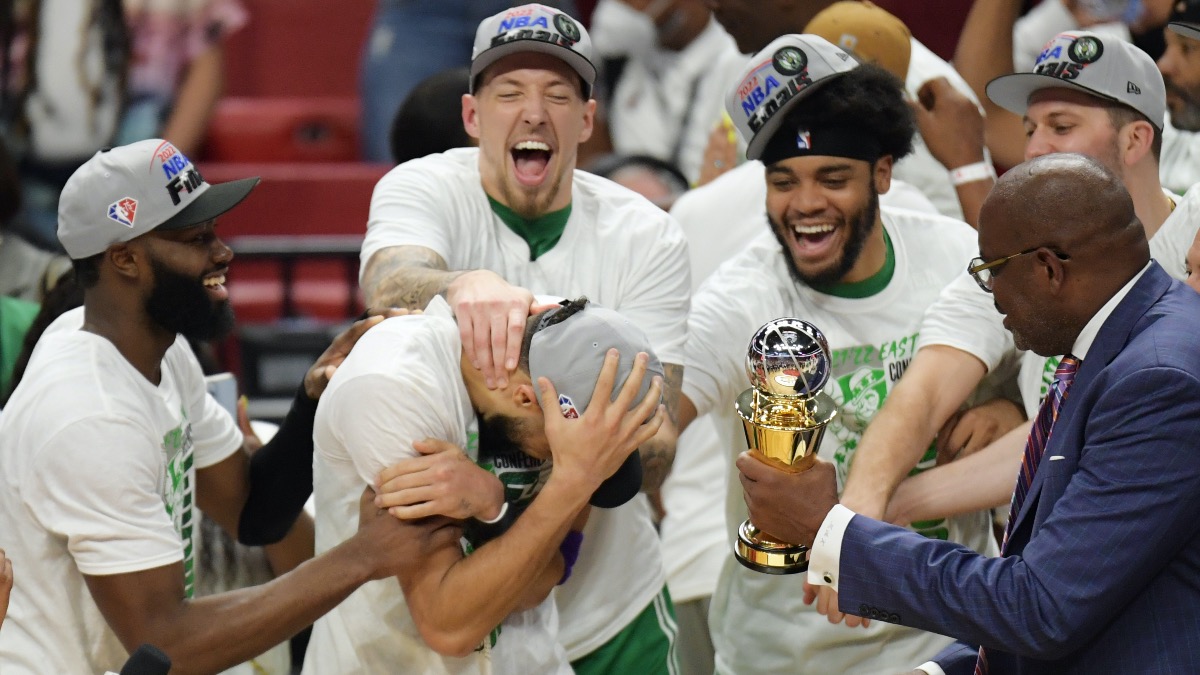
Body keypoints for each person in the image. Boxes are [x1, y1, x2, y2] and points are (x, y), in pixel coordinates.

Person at [738, 152, 1200, 674]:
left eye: (991, 272)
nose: (991, 295)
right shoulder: (1117, 347)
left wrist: (827, 528)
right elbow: (1081, 584)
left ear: (1048, 267)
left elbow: (1042, 608)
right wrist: (941, 671)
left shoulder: (1157, 380)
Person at [0, 139, 417, 674]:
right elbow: (168, 644)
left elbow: (251, 512)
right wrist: (363, 557)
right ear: (124, 258)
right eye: (196, 238)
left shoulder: (155, 350)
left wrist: (312, 401)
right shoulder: (89, 414)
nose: (222, 252)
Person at [357, 5, 689, 671]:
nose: (533, 113)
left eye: (558, 95)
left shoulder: (647, 234)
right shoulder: (424, 186)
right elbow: (387, 280)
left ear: (587, 122)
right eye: (509, 93)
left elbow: (653, 445)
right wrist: (461, 285)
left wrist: (492, 493)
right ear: (473, 117)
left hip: (610, 611)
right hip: (462, 605)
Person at [669, 35, 1000, 675]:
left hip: (944, 647)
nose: (806, 205)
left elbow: (1044, 384)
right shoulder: (740, 299)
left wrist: (1009, 410)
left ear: (882, 173)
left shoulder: (951, 255)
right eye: (783, 182)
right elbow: (661, 413)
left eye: (833, 178)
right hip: (785, 654)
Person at [839, 30, 1200, 549]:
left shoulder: (1192, 242)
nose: (1033, 149)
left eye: (1061, 127)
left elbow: (1088, 433)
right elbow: (924, 392)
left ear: (1135, 140)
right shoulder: (1016, 256)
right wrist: (860, 512)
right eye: (1030, 128)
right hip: (1042, 568)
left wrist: (892, 508)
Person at [304, 297, 665, 673]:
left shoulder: (562, 350)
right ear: (527, 398)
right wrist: (571, 482)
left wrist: (497, 507)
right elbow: (448, 626)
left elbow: (544, 579)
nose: (582, 468)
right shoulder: (393, 385)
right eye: (568, 455)